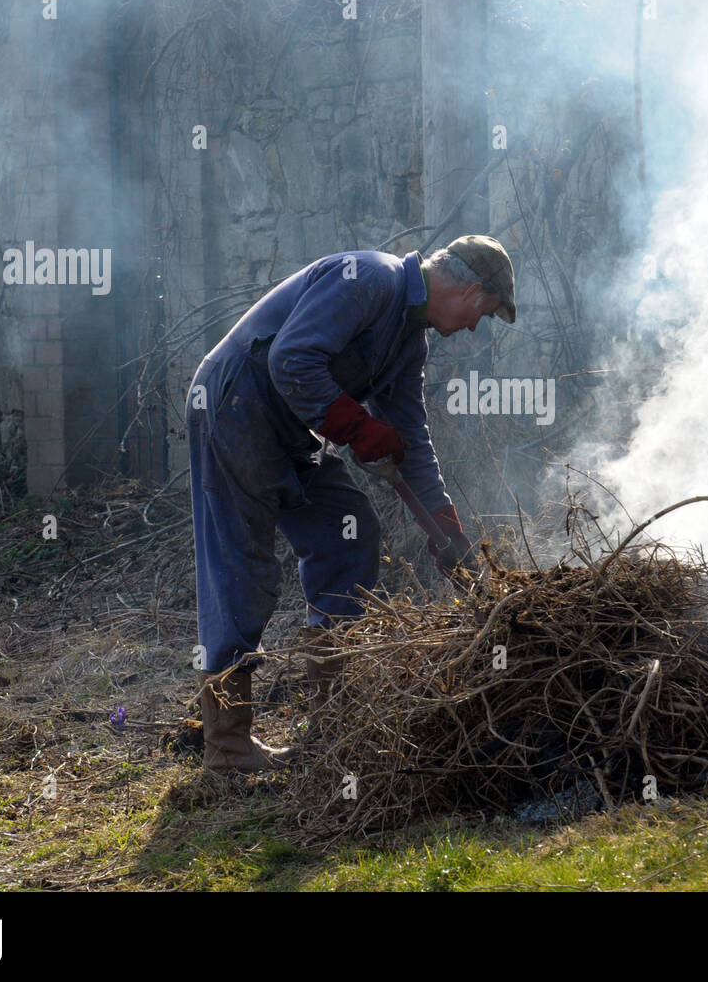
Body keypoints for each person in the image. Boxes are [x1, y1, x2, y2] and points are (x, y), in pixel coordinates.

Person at [186, 234, 516, 772]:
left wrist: (447, 534)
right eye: (487, 310)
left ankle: (333, 722)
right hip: (236, 407)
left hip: (290, 429)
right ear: (470, 289)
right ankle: (227, 748)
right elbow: (291, 360)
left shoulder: (410, 343)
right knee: (241, 567)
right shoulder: (370, 279)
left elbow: (411, 442)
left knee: (351, 530)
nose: (479, 324)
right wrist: (359, 429)